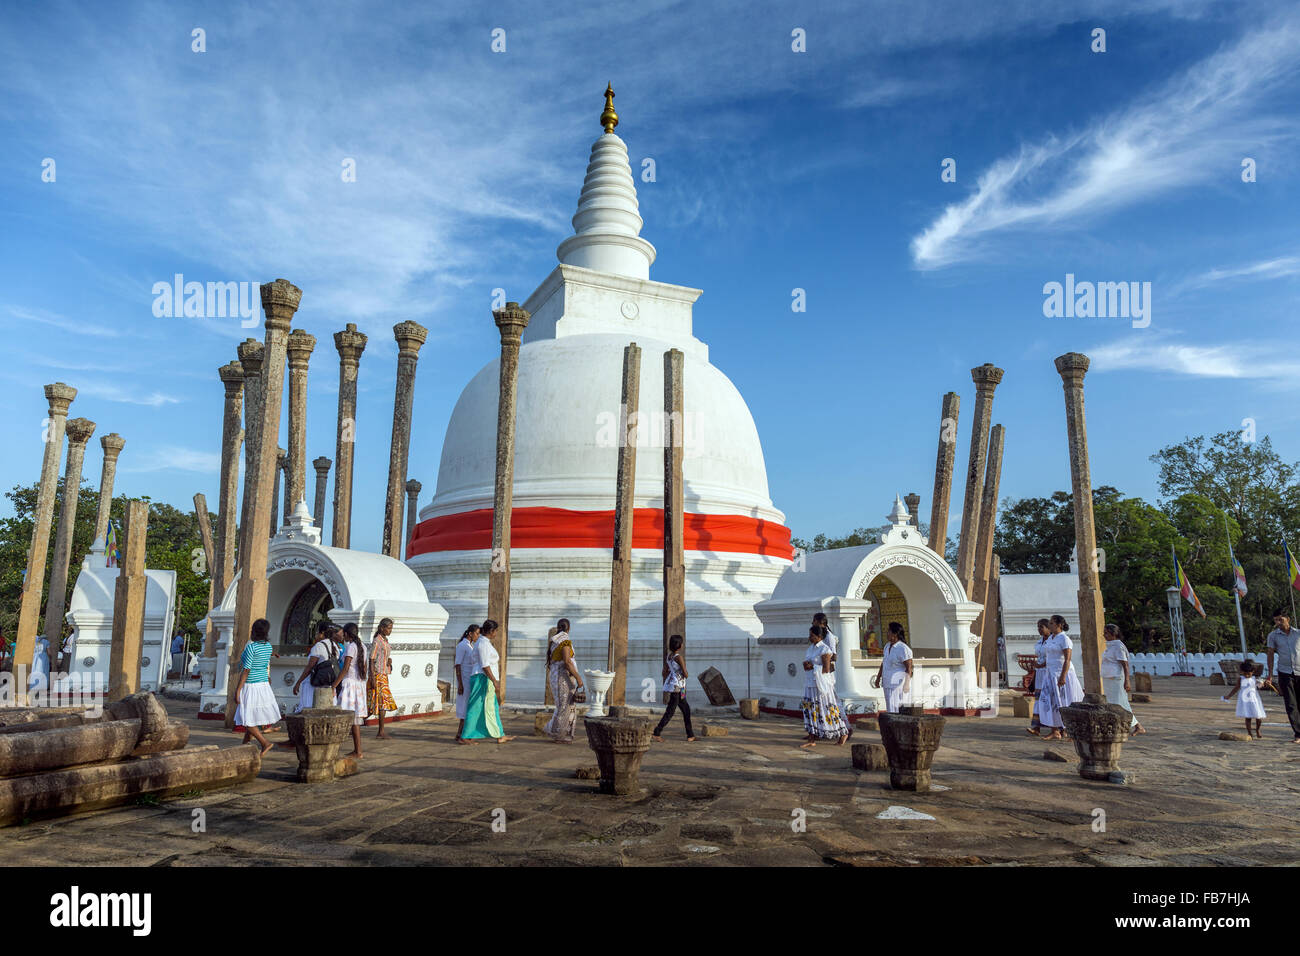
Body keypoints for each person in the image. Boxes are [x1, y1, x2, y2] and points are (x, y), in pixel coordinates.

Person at [462, 620, 514, 743]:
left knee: (492, 707)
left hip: (483, 678)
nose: (496, 634)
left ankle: (499, 734)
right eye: (496, 631)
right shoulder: (483, 644)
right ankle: (465, 736)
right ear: (491, 631)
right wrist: (494, 681)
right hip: (482, 678)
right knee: (476, 707)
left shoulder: (483, 642)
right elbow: (485, 665)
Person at [233, 618, 278, 755]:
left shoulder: (251, 647)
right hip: (263, 684)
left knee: (246, 719)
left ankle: (265, 742)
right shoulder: (268, 646)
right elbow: (264, 662)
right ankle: (244, 746)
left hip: (251, 685)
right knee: (250, 716)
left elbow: (246, 670)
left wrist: (238, 689)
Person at [800, 625, 848, 748]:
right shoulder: (810, 649)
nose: (810, 637)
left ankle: (842, 732)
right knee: (811, 709)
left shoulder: (824, 649)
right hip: (810, 682)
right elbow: (808, 663)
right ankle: (812, 737)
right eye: (810, 635)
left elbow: (827, 669)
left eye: (812, 635)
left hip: (821, 685)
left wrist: (813, 667)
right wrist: (806, 665)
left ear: (819, 636)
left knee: (827, 709)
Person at [544, 619, 584, 743]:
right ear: (569, 628)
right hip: (564, 677)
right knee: (565, 706)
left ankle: (560, 732)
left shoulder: (555, 640)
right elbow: (567, 662)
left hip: (556, 675)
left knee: (564, 705)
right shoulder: (565, 641)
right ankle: (559, 734)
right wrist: (579, 678)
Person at [332, 622, 368, 758]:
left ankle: (353, 750)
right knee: (354, 720)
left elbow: (345, 668)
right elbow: (364, 669)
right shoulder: (363, 647)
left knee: (342, 717)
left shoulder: (350, 647)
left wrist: (334, 686)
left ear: (347, 634)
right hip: (359, 685)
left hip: (349, 685)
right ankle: (357, 750)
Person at [1101, 623, 1145, 735]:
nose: (1104, 635)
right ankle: (1116, 726)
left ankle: (1137, 726)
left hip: (1116, 679)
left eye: (1106, 633)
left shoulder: (1118, 647)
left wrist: (1127, 681)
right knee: (1111, 703)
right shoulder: (1111, 646)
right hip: (1108, 679)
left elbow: (1125, 665)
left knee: (1121, 704)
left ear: (1113, 634)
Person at [1265, 609, 1300, 744]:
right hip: (1285, 673)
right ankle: (1298, 733)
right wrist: (1269, 675)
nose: (1278, 623)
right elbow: (1270, 654)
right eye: (1276, 620)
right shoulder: (1273, 636)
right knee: (1291, 704)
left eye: (1281, 619)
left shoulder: (1298, 634)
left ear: (1288, 619)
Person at [1047, 615, 1084, 737]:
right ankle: (1055, 730)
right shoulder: (1050, 638)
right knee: (1052, 701)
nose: (1049, 625)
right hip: (1051, 673)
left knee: (1065, 700)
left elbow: (1067, 659)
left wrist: (1063, 676)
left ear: (1059, 625)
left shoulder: (1065, 639)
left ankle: (1069, 730)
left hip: (1063, 673)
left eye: (1052, 623)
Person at [653, 634, 695, 742]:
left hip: (678, 687)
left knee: (686, 709)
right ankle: (656, 732)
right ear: (680, 645)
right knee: (670, 711)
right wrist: (682, 673)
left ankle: (690, 735)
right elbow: (686, 674)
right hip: (678, 688)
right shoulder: (679, 657)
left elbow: (664, 672)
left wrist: (672, 675)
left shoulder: (669, 657)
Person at [292, 621, 338, 713]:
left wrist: (298, 682)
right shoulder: (334, 646)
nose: (316, 634)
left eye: (317, 632)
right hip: (328, 683)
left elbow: (310, 667)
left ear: (322, 633)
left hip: (314, 684)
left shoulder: (319, 646)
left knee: (309, 709)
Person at [872, 621, 913, 714]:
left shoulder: (903, 648)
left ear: (895, 633)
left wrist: (906, 684)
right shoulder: (887, 646)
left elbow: (909, 667)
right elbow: (884, 663)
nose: (887, 633)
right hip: (887, 682)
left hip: (899, 684)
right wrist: (878, 678)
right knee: (890, 707)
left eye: (889, 631)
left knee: (899, 708)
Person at [368, 618, 397, 739]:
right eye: (388, 628)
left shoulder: (385, 640)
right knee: (375, 703)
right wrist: (373, 678)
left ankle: (381, 731)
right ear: (382, 628)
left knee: (382, 703)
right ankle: (354, 725)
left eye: (391, 628)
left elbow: (382, 657)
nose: (390, 630)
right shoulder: (377, 641)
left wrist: (388, 661)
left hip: (384, 674)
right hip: (377, 674)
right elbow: (371, 659)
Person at [1223, 661, 1266, 739]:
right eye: (1244, 673)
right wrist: (1229, 696)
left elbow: (1260, 686)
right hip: (1245, 700)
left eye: (1248, 674)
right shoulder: (1241, 679)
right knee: (1248, 717)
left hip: (1254, 699)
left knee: (1258, 717)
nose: (1246, 675)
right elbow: (1236, 688)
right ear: (1241, 672)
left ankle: (1257, 730)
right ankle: (1249, 733)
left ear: (1252, 672)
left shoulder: (1254, 679)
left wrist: (1262, 683)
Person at [453, 624, 480, 743]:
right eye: (477, 633)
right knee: (464, 709)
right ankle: (462, 735)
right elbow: (458, 665)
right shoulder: (462, 646)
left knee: (467, 708)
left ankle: (460, 733)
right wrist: (460, 684)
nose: (478, 636)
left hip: (469, 680)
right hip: (464, 681)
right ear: (470, 633)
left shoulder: (470, 646)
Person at [1026, 619, 1051, 736]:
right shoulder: (1039, 642)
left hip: (1049, 672)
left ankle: (1058, 729)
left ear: (1048, 628)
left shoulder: (1053, 642)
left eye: (1041, 627)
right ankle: (1036, 727)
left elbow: (1053, 659)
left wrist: (1040, 665)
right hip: (1040, 673)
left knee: (1050, 701)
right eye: (1038, 627)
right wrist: (1034, 675)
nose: (1039, 629)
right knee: (1038, 700)